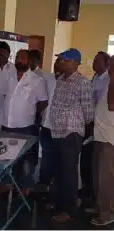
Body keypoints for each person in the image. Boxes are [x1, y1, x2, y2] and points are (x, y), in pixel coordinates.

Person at [49, 48, 94, 223]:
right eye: (60, 59)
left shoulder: (83, 83)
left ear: (75, 63)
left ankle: (68, 210)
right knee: (59, 170)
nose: (60, 62)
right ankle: (59, 203)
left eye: (63, 60)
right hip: (57, 132)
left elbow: (89, 114)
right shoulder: (60, 80)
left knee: (68, 173)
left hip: (71, 133)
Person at [1, 49, 48, 187]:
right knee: (5, 156)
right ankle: (6, 184)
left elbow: (43, 101)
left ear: (29, 61)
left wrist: (31, 112)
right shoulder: (8, 76)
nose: (18, 60)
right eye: (17, 57)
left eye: (22, 58)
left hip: (25, 126)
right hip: (6, 124)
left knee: (25, 158)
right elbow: (4, 96)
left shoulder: (36, 80)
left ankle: (24, 186)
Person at [80, 51, 110, 204]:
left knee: (94, 161)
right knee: (86, 158)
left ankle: (93, 193)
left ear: (106, 64)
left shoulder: (108, 80)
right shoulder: (95, 77)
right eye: (94, 61)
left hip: (99, 125)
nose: (94, 64)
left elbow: (104, 104)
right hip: (89, 122)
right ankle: (86, 188)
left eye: (98, 61)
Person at [91, 55, 114, 226]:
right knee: (98, 174)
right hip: (100, 134)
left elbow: (112, 104)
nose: (110, 67)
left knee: (105, 177)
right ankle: (101, 206)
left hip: (109, 138)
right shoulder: (109, 81)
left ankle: (106, 213)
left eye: (112, 64)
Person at [38, 57, 63, 189]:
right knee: (46, 156)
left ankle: (56, 186)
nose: (56, 65)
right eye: (55, 63)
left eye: (59, 63)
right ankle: (44, 183)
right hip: (46, 125)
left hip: (61, 128)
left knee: (59, 157)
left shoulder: (71, 82)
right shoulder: (46, 78)